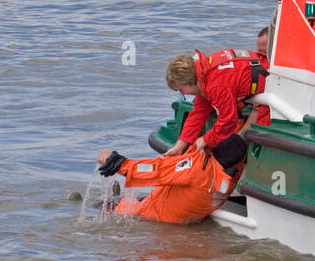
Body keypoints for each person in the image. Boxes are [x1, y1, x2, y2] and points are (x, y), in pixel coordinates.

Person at [96, 135, 248, 224]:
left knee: (102, 205)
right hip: (179, 212)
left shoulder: (198, 169)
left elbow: (157, 170)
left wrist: (118, 162)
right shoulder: (234, 172)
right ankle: (115, 195)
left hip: (150, 211)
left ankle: (108, 199)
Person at [162, 49, 268, 157]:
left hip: (272, 87)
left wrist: (203, 140)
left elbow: (228, 121)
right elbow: (198, 113)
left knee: (259, 138)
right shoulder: (206, 70)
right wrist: (179, 146)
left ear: (187, 82)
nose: (183, 94)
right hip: (264, 71)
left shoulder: (216, 86)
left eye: (181, 90)